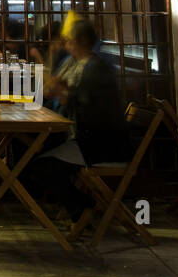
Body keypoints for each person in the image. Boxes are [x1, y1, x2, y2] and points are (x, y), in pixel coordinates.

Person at [25, 19, 131, 219]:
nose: (65, 44)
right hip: (83, 136)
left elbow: (84, 105)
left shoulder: (96, 69)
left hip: (101, 144)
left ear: (80, 41)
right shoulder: (75, 63)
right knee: (31, 153)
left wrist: (62, 93)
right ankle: (75, 206)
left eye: (69, 40)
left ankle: (83, 207)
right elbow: (59, 92)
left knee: (41, 167)